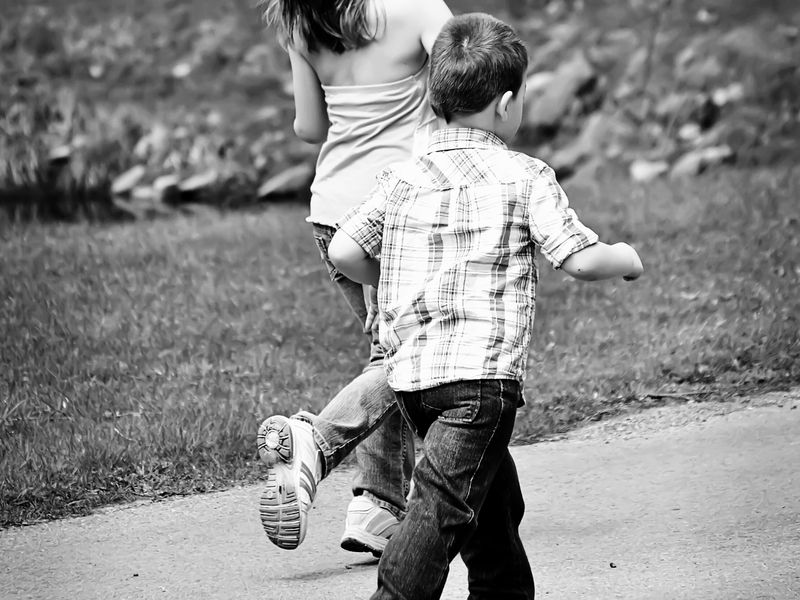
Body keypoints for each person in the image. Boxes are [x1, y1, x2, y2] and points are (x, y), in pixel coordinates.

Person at [327, 12, 644, 599]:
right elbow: (576, 257)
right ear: (505, 105)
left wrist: (390, 276)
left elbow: (345, 249)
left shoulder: (402, 177)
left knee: (492, 508)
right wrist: (625, 257)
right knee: (438, 511)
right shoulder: (524, 175)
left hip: (415, 380)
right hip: (479, 387)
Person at [255, 0, 453, 555]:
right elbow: (465, 91)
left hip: (333, 210)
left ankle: (378, 506)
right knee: (418, 354)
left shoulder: (300, 17)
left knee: (387, 351)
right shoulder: (418, 10)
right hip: (400, 208)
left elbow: (308, 126)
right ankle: (314, 443)